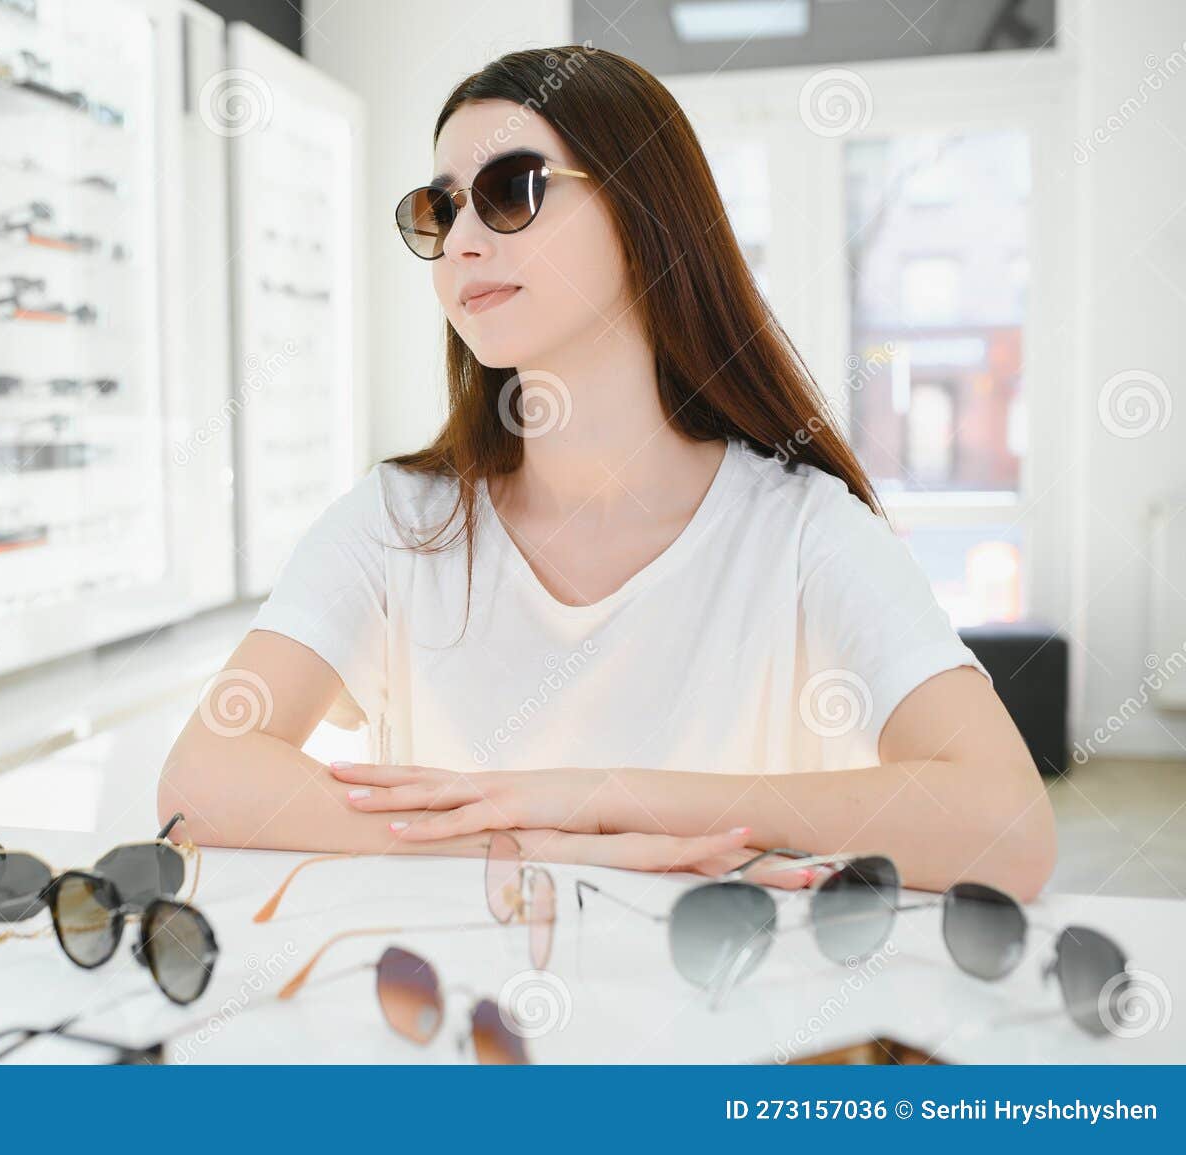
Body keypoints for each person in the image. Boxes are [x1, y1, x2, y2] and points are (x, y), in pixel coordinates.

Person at [159, 46, 1054, 900]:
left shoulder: (804, 530)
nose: (463, 240)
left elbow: (1006, 826)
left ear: (645, 212)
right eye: (440, 210)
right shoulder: (399, 518)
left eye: (511, 192)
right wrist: (522, 845)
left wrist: (591, 795)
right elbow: (203, 774)